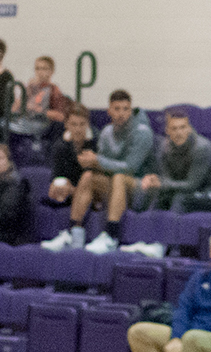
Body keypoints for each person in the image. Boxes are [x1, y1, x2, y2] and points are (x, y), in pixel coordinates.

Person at [41, 90, 153, 254]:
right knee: (88, 176)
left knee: (119, 177)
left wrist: (98, 161)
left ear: (130, 110)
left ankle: (111, 236)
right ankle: (74, 233)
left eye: (125, 109)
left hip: (139, 187)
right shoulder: (107, 132)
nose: (121, 113)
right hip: (114, 187)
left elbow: (131, 167)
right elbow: (102, 167)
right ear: (109, 111)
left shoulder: (142, 132)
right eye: (117, 109)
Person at [139, 109, 211, 214]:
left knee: (180, 199)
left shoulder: (202, 148)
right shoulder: (164, 148)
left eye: (183, 127)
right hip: (187, 192)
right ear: (167, 130)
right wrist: (153, 180)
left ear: (189, 128)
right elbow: (166, 180)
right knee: (160, 197)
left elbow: (192, 185)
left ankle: (174, 229)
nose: (179, 133)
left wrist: (162, 183)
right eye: (174, 128)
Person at [9, 54, 71, 140]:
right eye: (37, 68)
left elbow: (60, 116)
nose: (40, 72)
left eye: (44, 69)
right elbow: (13, 109)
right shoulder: (30, 88)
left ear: (51, 71)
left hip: (41, 123)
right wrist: (26, 92)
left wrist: (37, 109)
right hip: (23, 121)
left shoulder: (53, 90)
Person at [46, 103, 97, 206]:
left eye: (82, 124)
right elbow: (57, 176)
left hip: (94, 195)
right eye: (74, 124)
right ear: (66, 124)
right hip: (68, 194)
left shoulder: (97, 142)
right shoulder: (60, 147)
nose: (78, 129)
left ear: (88, 124)